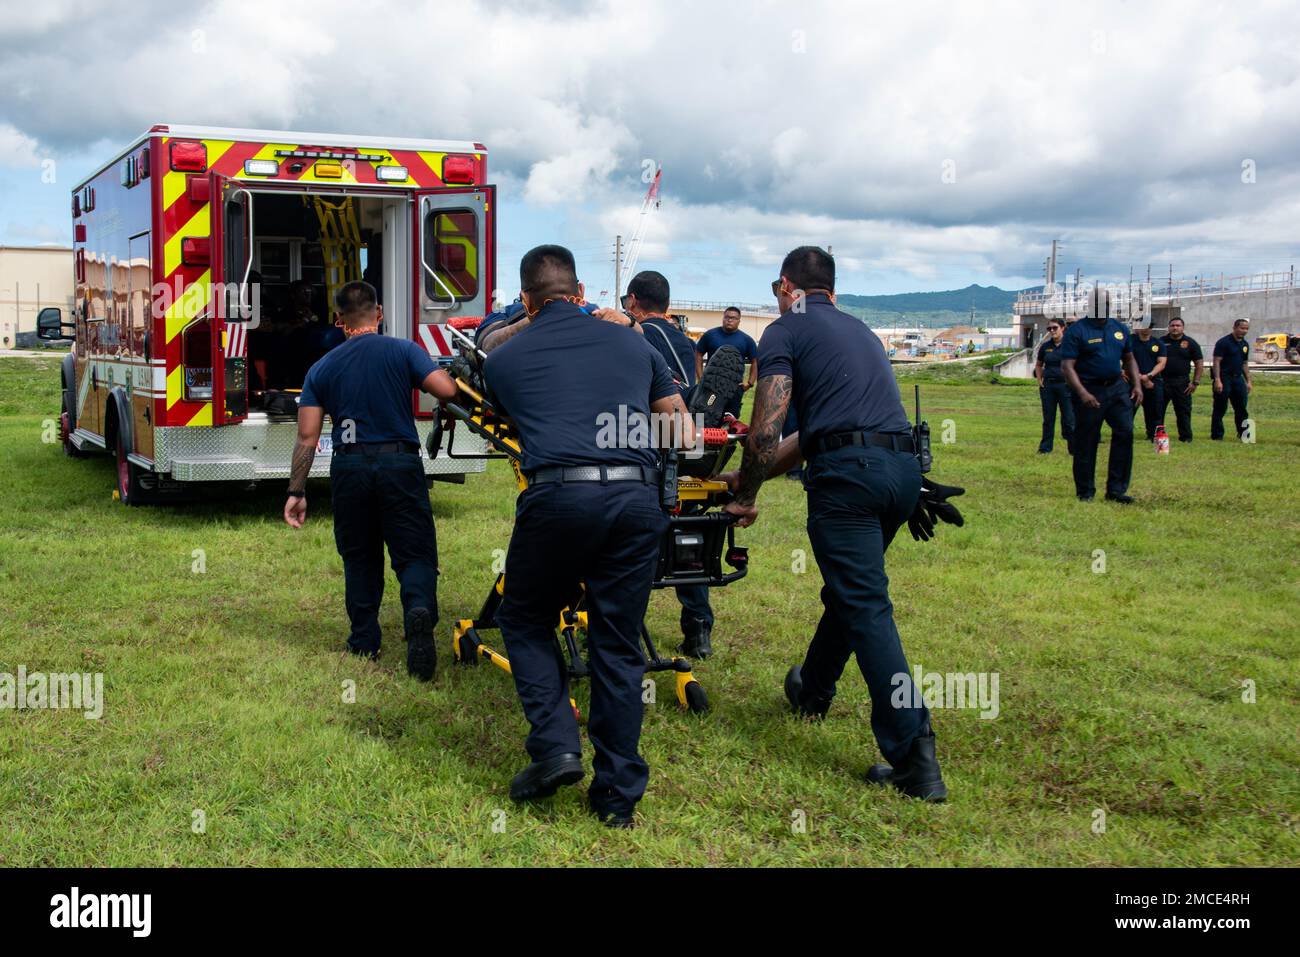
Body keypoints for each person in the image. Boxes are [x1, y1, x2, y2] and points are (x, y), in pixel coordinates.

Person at [722, 246, 948, 802]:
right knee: (851, 594)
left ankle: (915, 755)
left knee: (866, 607)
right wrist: (746, 480)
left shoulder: (783, 330)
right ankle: (814, 690)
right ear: (833, 290)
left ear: (784, 287)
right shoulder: (862, 332)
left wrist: (745, 494)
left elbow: (768, 429)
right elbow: (821, 433)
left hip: (849, 480)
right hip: (900, 475)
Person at [483, 245, 694, 828]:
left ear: (525, 298)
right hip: (635, 499)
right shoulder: (636, 341)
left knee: (524, 618)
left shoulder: (506, 357)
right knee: (617, 640)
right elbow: (680, 429)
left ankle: (555, 747)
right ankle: (617, 797)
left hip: (557, 497)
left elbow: (511, 410)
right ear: (581, 292)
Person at [283, 280, 459, 679]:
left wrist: (296, 490)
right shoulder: (404, 351)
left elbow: (307, 437)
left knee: (359, 556)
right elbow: (445, 390)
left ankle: (364, 640)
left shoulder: (321, 368)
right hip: (399, 463)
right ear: (378, 314)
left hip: (349, 468)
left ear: (338, 321)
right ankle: (417, 611)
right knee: (414, 552)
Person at [624, 269, 717, 660]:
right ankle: (698, 631)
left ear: (632, 301)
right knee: (688, 544)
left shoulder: (636, 335)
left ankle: (624, 630)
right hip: (686, 449)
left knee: (635, 547)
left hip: (650, 447)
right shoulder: (684, 339)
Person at [1060, 286, 1143, 504]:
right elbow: (1067, 367)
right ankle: (1085, 491)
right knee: (1087, 441)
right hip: (1089, 390)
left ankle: (1116, 490)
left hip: (1117, 389)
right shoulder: (1077, 331)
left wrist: (1137, 385)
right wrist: (1082, 393)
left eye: (1105, 304)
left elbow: (1130, 359)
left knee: (1125, 434)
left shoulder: (1119, 328)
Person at [695, 306, 757, 418]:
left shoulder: (746, 340)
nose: (729, 320)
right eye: (727, 317)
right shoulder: (710, 335)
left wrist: (750, 383)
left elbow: (755, 361)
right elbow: (698, 354)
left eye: (733, 318)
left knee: (730, 419)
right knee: (704, 415)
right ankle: (701, 436)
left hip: (734, 389)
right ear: (723, 318)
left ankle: (728, 435)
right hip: (710, 387)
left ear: (739, 321)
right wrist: (701, 378)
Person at [1159, 317, 1203, 442]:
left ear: (1183, 327)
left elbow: (1199, 363)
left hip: (1182, 382)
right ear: (1168, 327)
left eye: (1178, 325)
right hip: (1162, 381)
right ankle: (1156, 435)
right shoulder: (1161, 342)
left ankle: (1186, 437)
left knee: (1183, 411)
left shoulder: (1191, 343)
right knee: (1158, 410)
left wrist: (1195, 382)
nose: (1175, 328)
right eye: (1172, 325)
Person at [1034, 319, 1075, 454]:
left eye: (1055, 328)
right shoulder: (1045, 346)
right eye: (1049, 329)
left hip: (1066, 386)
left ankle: (1073, 448)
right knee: (1048, 419)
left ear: (1062, 328)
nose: (1052, 331)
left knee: (1069, 419)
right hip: (1048, 386)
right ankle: (1045, 448)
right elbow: (1039, 364)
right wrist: (1039, 379)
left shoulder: (1070, 345)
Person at [1211, 317, 1253, 441]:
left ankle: (1244, 435)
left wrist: (1248, 381)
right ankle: (1217, 435)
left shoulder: (1244, 344)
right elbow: (1216, 361)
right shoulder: (1223, 342)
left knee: (1241, 408)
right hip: (1224, 378)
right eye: (1242, 328)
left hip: (1238, 379)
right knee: (1220, 408)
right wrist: (1217, 379)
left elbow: (1244, 363)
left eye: (1246, 329)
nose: (1244, 331)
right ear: (1234, 328)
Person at [1128, 324, 1167, 442]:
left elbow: (1162, 363)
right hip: (1132, 382)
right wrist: (1139, 377)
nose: (1146, 329)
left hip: (1152, 382)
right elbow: (1123, 359)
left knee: (1155, 411)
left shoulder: (1158, 343)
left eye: (1149, 326)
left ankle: (1154, 436)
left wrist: (1148, 376)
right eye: (1144, 326)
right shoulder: (1130, 341)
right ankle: (1125, 435)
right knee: (1128, 409)